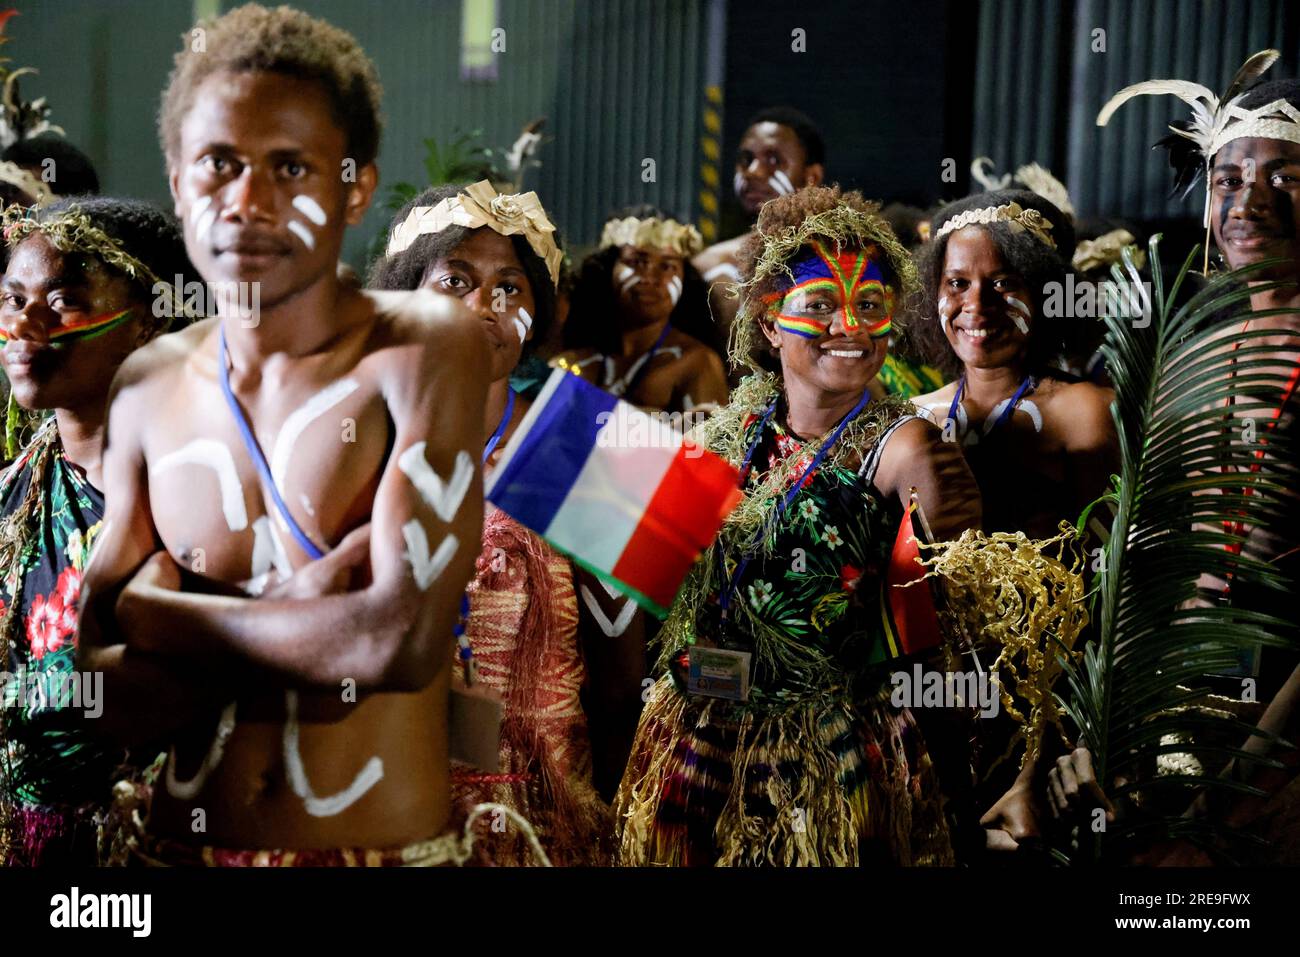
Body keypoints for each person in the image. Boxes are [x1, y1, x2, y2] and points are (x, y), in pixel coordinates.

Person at [77, 3, 490, 867]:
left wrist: (160, 612)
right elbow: (94, 696)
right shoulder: (148, 388)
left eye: (290, 167)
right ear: (178, 177)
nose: (249, 202)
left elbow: (395, 642)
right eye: (219, 164)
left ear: (356, 188)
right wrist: (297, 616)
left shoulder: (419, 347)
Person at [615, 185, 983, 866]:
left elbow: (948, 649)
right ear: (767, 324)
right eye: (820, 305)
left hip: (823, 776)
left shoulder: (910, 451)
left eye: (869, 305)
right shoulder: (729, 433)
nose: (850, 324)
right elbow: (647, 593)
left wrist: (960, 808)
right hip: (692, 747)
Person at [1052, 60, 1300, 864]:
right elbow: (1139, 546)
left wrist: (1235, 801)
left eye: (1284, 175)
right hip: (1171, 708)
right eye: (1227, 177)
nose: (1250, 199)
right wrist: (1098, 723)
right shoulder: (1186, 341)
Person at [369, 180, 631, 865]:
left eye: (511, 287)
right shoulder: (350, 440)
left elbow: (621, 665)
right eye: (456, 280)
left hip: (545, 820)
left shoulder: (580, 441)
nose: (487, 305)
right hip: (388, 807)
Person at [0, 197, 195, 865]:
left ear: (146, 323)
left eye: (63, 302)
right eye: (12, 297)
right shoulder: (10, 495)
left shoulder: (197, 499)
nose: (25, 325)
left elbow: (171, 692)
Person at [911, 189, 1118, 541]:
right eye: (958, 283)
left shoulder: (1084, 411)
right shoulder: (916, 415)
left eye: (1003, 283)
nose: (976, 304)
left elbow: (1114, 568)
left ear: (1043, 294)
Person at [555, 205, 727, 416]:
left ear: (685, 278)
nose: (650, 278)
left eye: (667, 266)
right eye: (637, 262)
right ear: (608, 269)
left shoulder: (697, 362)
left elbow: (711, 445)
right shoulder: (571, 362)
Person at [692, 107, 826, 347]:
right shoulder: (709, 268)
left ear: (812, 178)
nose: (753, 171)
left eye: (774, 160)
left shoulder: (846, 262)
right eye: (746, 160)